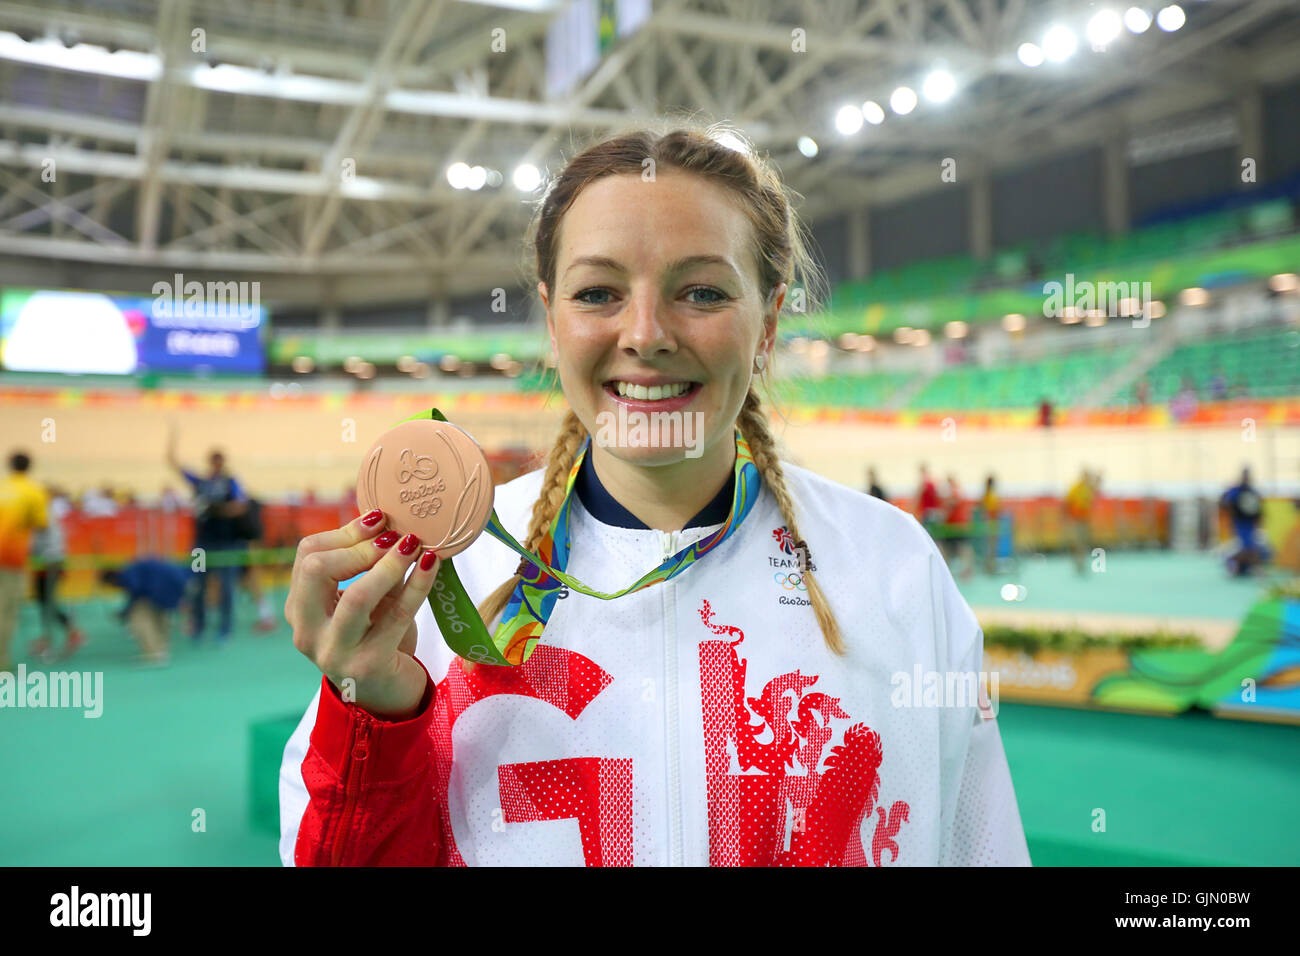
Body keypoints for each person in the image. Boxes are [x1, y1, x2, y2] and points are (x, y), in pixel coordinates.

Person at [278, 124, 1030, 867]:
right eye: (599, 292)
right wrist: (372, 718)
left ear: (767, 322)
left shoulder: (892, 569)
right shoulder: (440, 581)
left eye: (701, 291)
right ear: (551, 319)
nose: (646, 334)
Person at [166, 428, 249, 642]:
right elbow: (174, 464)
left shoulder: (231, 482)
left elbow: (241, 506)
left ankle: (225, 629)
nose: (216, 464)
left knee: (227, 587)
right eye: (213, 460)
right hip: (202, 544)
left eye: (219, 460)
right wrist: (173, 439)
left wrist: (217, 509)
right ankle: (198, 626)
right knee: (197, 584)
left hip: (227, 545)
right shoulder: (200, 482)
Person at [0, 452, 48, 674]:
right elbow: (41, 524)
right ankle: (2, 660)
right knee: (7, 611)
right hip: (11, 559)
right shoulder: (34, 491)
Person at [27, 484, 85, 663]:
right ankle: (60, 636)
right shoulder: (46, 514)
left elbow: (34, 543)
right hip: (46, 564)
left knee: (48, 603)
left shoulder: (43, 516)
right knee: (45, 602)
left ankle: (61, 637)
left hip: (49, 564)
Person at [99, 559, 191, 666]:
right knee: (159, 616)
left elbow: (137, 592)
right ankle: (162, 650)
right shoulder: (133, 569)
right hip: (178, 580)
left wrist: (125, 612)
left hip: (162, 587)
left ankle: (153, 654)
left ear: (111, 580)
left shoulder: (127, 576)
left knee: (139, 619)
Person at [1221, 467, 1268, 576]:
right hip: (1240, 523)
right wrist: (1233, 517)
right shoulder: (1236, 490)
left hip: (1250, 523)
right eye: (1245, 475)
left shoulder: (1252, 490)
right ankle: (1233, 562)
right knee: (1249, 547)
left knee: (1252, 547)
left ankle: (1244, 566)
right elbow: (1227, 503)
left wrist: (1258, 520)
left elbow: (1258, 506)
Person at [942, 474, 975, 579]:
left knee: (962, 548)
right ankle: (961, 570)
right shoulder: (958, 491)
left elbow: (952, 505)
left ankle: (966, 570)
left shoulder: (954, 492)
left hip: (956, 525)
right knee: (954, 548)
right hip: (954, 525)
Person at [1064, 468, 1096, 575]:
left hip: (1085, 520)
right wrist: (1068, 517)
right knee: (1078, 543)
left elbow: (1089, 503)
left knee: (1084, 543)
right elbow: (1067, 503)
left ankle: (1081, 564)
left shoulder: (1088, 488)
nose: (1088, 478)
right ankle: (1078, 565)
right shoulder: (1076, 488)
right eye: (1086, 475)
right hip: (1076, 520)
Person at [980, 474, 1001, 574]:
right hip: (991, 524)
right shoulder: (991, 496)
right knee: (991, 547)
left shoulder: (986, 495)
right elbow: (993, 511)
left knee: (989, 547)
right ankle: (990, 566)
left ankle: (989, 566)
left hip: (988, 524)